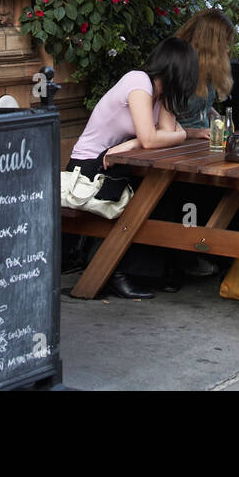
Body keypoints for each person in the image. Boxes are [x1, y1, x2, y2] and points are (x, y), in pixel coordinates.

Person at [66, 36, 199, 299]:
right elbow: (153, 139)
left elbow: (163, 137)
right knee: (148, 198)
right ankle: (114, 271)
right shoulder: (138, 82)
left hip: (117, 162)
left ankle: (152, 270)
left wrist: (133, 143)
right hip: (89, 168)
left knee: (167, 191)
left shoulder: (161, 97)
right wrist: (168, 137)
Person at [173, 8, 236, 136]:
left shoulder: (207, 66)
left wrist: (219, 120)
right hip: (179, 147)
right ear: (210, 43)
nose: (227, 48)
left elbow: (199, 107)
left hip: (203, 144)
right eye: (225, 42)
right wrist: (197, 133)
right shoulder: (179, 67)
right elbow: (163, 125)